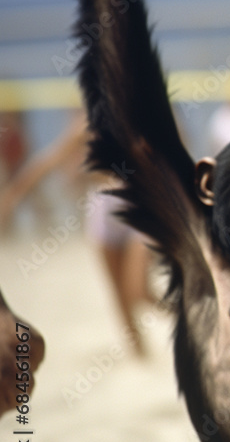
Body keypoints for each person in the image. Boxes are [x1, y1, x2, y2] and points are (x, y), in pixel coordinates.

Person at [0, 110, 153, 357]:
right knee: (120, 298)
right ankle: (142, 359)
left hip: (138, 206)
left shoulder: (138, 114)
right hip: (103, 207)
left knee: (139, 290)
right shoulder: (86, 125)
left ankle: (185, 317)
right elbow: (48, 162)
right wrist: (12, 196)